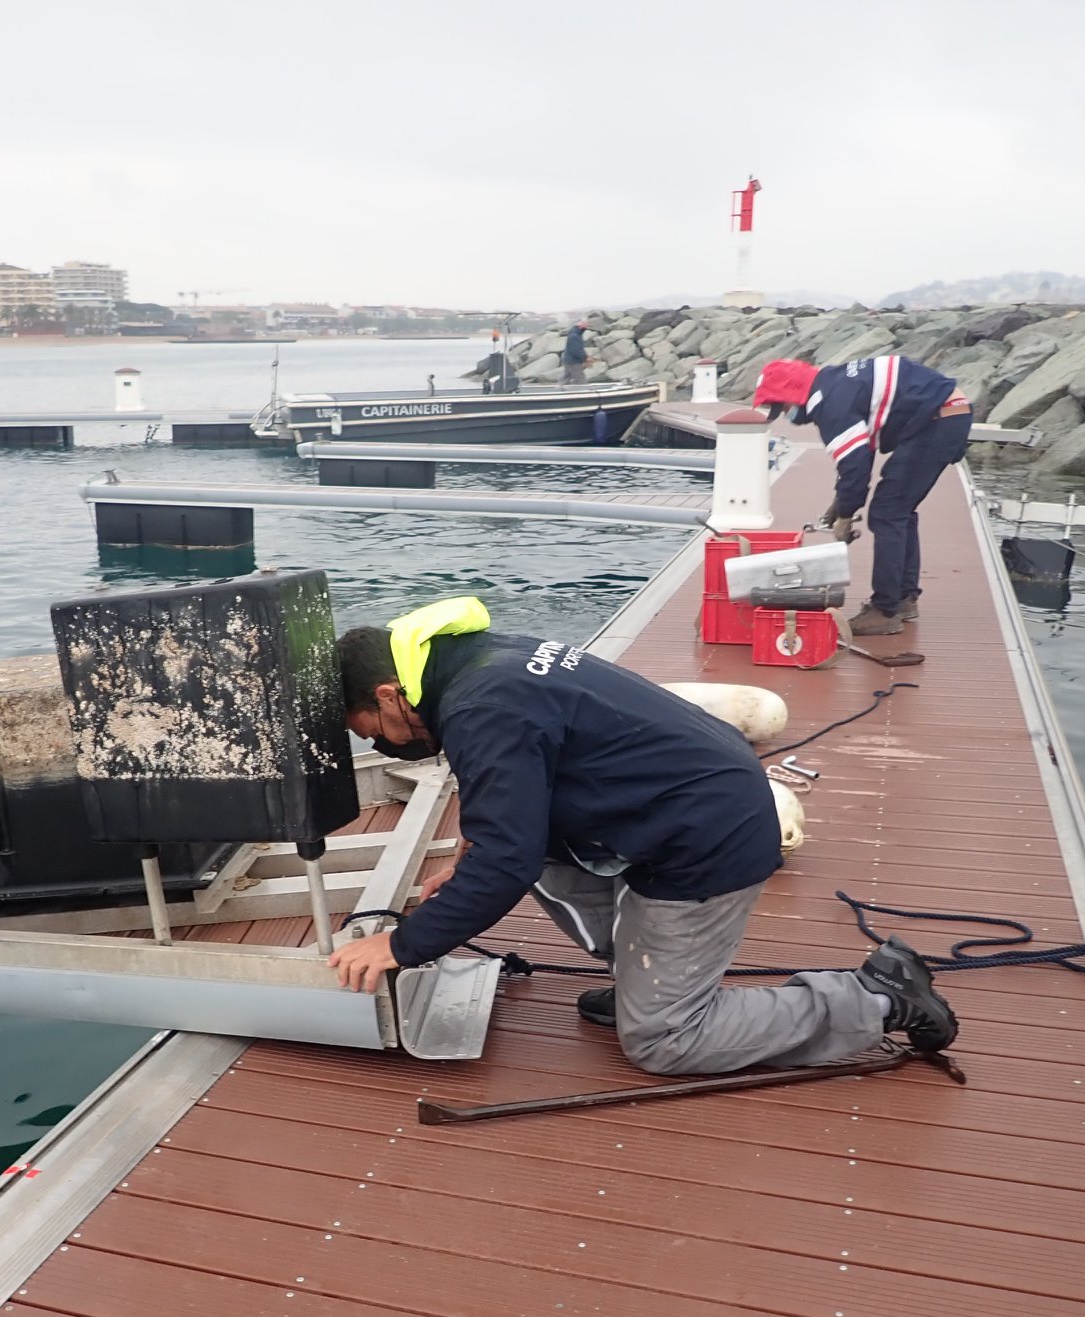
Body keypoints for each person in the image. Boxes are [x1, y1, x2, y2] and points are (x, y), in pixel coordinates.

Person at [328, 596, 959, 1075]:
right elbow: (516, 802)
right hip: (678, 805)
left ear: (390, 693)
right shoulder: (471, 662)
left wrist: (402, 945)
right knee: (516, 851)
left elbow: (508, 862)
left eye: (379, 732)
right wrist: (473, 855)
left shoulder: (477, 705)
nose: (388, 746)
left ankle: (875, 999)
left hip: (707, 840)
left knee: (663, 1041)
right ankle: (645, 981)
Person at [750, 355, 973, 636]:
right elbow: (856, 462)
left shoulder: (829, 404)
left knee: (888, 512)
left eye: (781, 407)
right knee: (899, 508)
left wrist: (845, 517)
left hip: (937, 419)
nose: (785, 415)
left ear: (792, 394)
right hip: (944, 413)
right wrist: (838, 504)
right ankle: (903, 599)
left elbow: (855, 466)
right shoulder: (833, 383)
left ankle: (885, 611)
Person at [560, 319, 589, 385]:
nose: (586, 328)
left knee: (566, 379)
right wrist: (585, 358)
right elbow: (576, 350)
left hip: (568, 361)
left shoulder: (576, 334)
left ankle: (559, 390)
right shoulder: (574, 336)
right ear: (580, 326)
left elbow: (579, 348)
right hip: (573, 362)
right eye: (585, 326)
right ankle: (583, 393)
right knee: (581, 380)